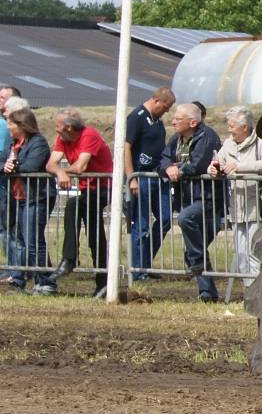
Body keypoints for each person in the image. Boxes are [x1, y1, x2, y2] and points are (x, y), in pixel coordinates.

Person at [160, 102, 223, 301]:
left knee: (186, 220)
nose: (173, 121)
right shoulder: (176, 139)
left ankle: (195, 264)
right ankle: (207, 292)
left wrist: (178, 169)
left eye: (178, 119)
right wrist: (168, 167)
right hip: (186, 197)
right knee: (197, 248)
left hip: (208, 198)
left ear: (193, 122)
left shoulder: (208, 137)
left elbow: (198, 164)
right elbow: (163, 158)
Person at [48, 109, 113, 298]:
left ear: (68, 127)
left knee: (73, 206)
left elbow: (80, 166)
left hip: (103, 188)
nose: (56, 129)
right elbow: (50, 164)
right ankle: (103, 282)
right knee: (95, 232)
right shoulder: (62, 138)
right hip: (87, 190)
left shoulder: (88, 135)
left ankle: (69, 259)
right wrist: (60, 172)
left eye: (58, 125)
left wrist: (63, 171)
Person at [213, 106, 262, 287]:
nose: (229, 129)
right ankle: (249, 289)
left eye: (232, 126)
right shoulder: (228, 144)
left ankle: (257, 290)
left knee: (253, 252)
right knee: (240, 252)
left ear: (244, 127)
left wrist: (240, 167)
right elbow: (220, 162)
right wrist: (213, 170)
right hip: (236, 206)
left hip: (255, 205)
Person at [124, 86, 177, 281]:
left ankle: (145, 262)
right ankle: (137, 270)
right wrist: (131, 177)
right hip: (141, 177)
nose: (166, 111)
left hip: (158, 177)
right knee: (141, 224)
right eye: (165, 107)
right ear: (156, 101)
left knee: (165, 219)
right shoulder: (136, 118)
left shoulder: (157, 121)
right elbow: (125, 148)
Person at [4, 108, 56, 294]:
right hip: (18, 199)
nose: (7, 126)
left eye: (10, 123)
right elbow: (3, 162)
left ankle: (46, 282)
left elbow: (32, 166)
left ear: (22, 125)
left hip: (36, 198)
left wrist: (12, 165)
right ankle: (18, 280)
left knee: (33, 241)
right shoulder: (13, 144)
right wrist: (5, 165)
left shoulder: (38, 142)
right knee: (20, 242)